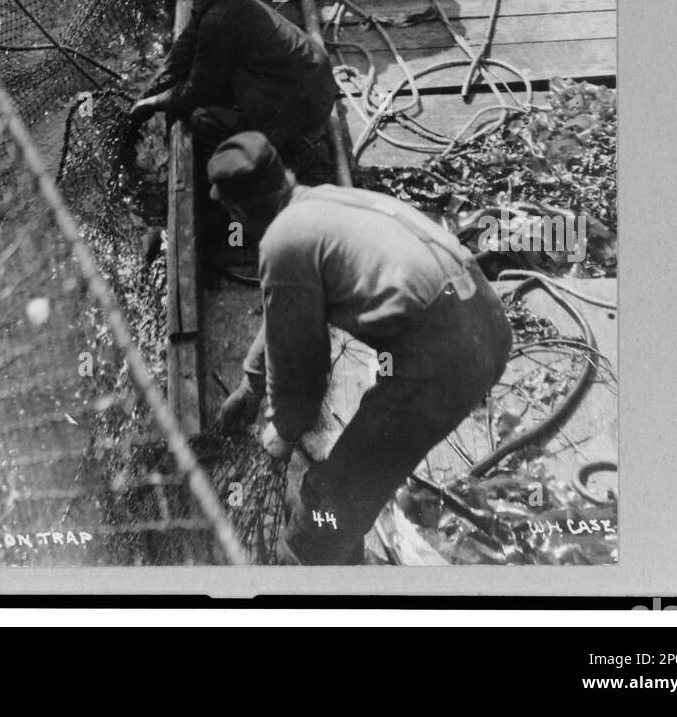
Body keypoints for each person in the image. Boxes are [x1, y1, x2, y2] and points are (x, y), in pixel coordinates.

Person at [210, 132, 513, 565]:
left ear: (238, 209)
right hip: (487, 320)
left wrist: (284, 428)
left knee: (330, 498)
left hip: (443, 357)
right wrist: (251, 387)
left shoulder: (282, 240)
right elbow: (287, 314)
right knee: (355, 477)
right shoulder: (324, 199)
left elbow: (302, 367)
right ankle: (342, 549)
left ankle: (310, 575)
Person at [129, 0, 336, 164]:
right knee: (204, 85)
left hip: (306, 105)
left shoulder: (218, 19)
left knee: (203, 120)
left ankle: (271, 161)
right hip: (304, 83)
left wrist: (156, 103)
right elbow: (181, 51)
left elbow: (198, 91)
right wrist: (147, 93)